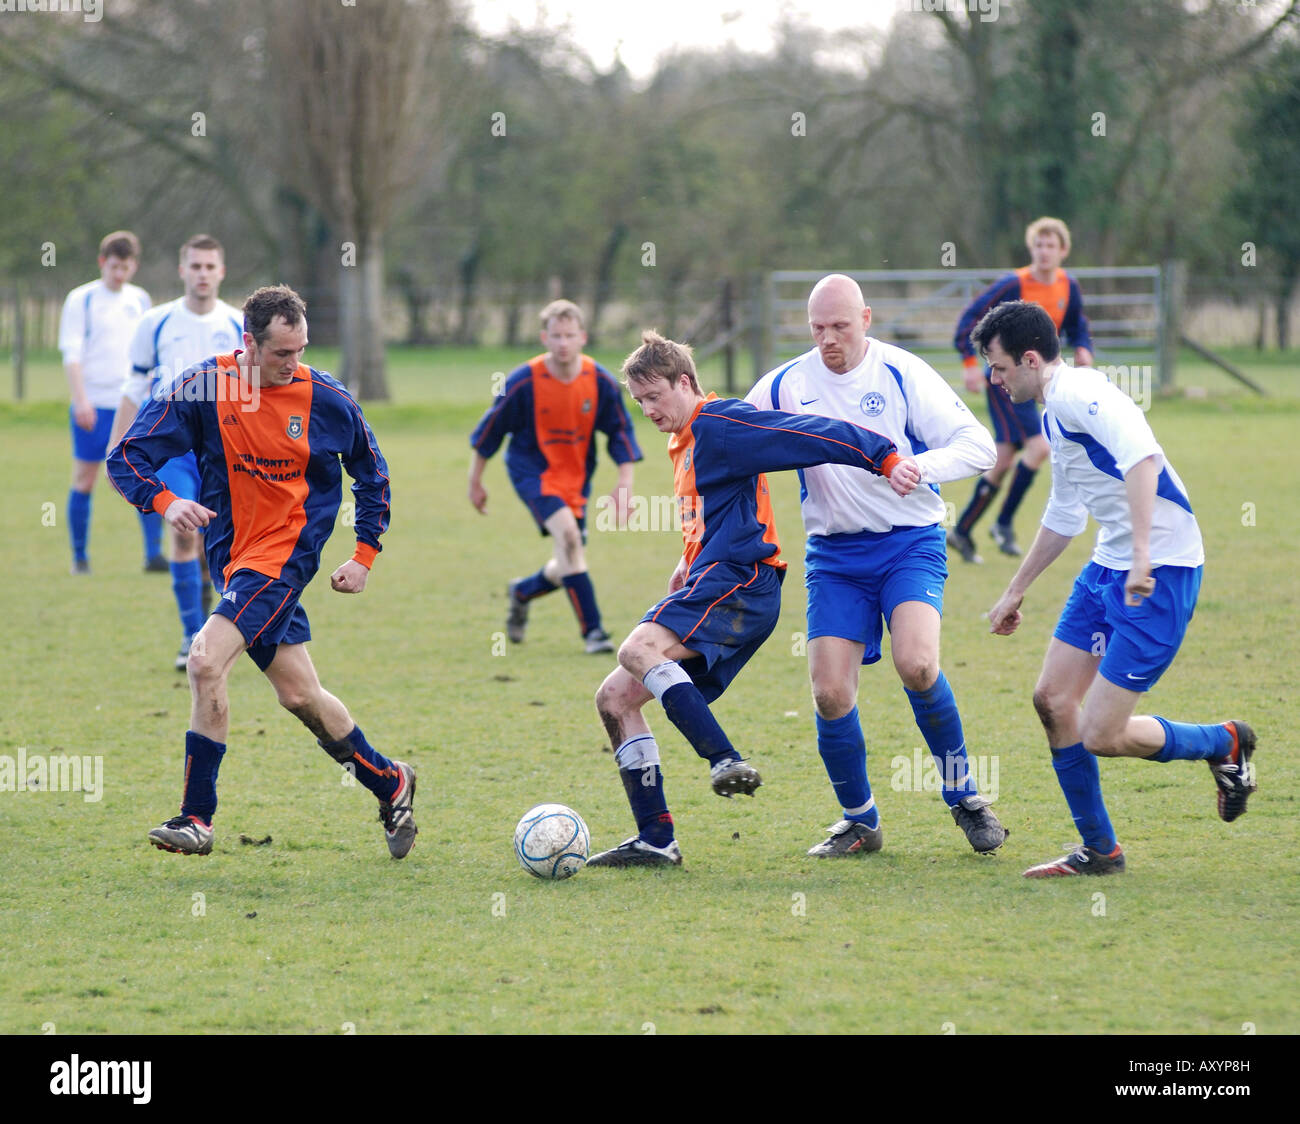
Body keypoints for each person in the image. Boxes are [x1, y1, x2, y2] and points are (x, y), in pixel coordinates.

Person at [106, 285, 415, 859]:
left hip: (282, 560)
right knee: (300, 696)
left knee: (203, 660)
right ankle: (390, 780)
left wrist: (364, 553)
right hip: (233, 562)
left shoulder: (327, 399)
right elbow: (126, 456)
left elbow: (372, 474)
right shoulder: (206, 387)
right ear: (247, 343)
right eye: (280, 353)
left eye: (300, 350)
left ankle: (196, 818)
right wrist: (165, 501)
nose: (293, 363)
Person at [588, 330, 913, 868]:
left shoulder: (719, 423)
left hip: (742, 579)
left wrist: (882, 456)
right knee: (615, 699)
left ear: (685, 382)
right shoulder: (687, 436)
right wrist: (686, 562)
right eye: (638, 401)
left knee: (637, 650)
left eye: (654, 396)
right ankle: (655, 839)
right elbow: (721, 507)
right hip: (713, 576)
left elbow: (807, 433)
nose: (647, 409)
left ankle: (724, 759)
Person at [977, 301, 1256, 877]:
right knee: (1053, 701)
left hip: (1160, 571)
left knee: (1101, 732)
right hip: (1110, 566)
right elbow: (1064, 511)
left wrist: (1144, 557)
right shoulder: (1054, 411)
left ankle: (1224, 742)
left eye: (1000, 368)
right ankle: (1100, 851)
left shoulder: (1079, 393)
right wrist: (1015, 589)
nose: (995, 381)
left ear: (1031, 359)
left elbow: (1142, 457)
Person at [747, 274, 1008, 858]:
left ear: (867, 319)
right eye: (817, 328)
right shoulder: (787, 384)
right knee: (831, 694)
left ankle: (966, 798)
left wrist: (918, 464)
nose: (828, 340)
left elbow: (979, 445)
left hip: (909, 542)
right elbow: (732, 435)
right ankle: (860, 822)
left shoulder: (901, 372)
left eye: (840, 326)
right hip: (835, 557)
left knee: (916, 664)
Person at [468, 299, 642, 654]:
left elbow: (620, 431)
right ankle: (594, 633)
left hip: (577, 476)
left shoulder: (600, 382)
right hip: (531, 470)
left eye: (570, 335)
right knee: (569, 538)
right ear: (544, 338)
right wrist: (475, 480)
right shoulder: (523, 381)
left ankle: (523, 591)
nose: (563, 343)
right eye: (556, 336)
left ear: (583, 337)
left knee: (568, 558)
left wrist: (625, 481)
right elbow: (490, 431)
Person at [108, 234, 243, 671]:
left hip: (225, 449)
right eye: (195, 266)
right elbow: (134, 386)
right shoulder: (156, 323)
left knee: (216, 545)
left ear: (221, 272)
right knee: (184, 532)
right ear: (182, 270)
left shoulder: (239, 325)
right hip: (174, 450)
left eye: (210, 266)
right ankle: (191, 638)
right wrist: (119, 444)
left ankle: (215, 633)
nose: (202, 274)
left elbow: (258, 394)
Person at [949, 216, 1094, 562]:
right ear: (1032, 248)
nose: (1044, 252)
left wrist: (1083, 346)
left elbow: (1076, 325)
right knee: (1039, 447)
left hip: (1037, 382)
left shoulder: (1067, 287)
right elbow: (968, 321)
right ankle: (1002, 523)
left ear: (1063, 250)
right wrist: (971, 364)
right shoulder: (1013, 284)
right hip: (1006, 382)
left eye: (1051, 245)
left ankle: (963, 530)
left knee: (1001, 461)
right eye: (1038, 245)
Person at [59, 230, 154, 574]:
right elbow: (71, 353)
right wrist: (80, 399)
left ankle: (153, 554)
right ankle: (80, 556)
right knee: (86, 478)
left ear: (134, 266)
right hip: (94, 403)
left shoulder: (140, 300)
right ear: (102, 263)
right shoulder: (81, 299)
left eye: (125, 267)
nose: (119, 274)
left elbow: (148, 354)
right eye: (114, 267)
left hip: (133, 403)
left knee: (143, 474)